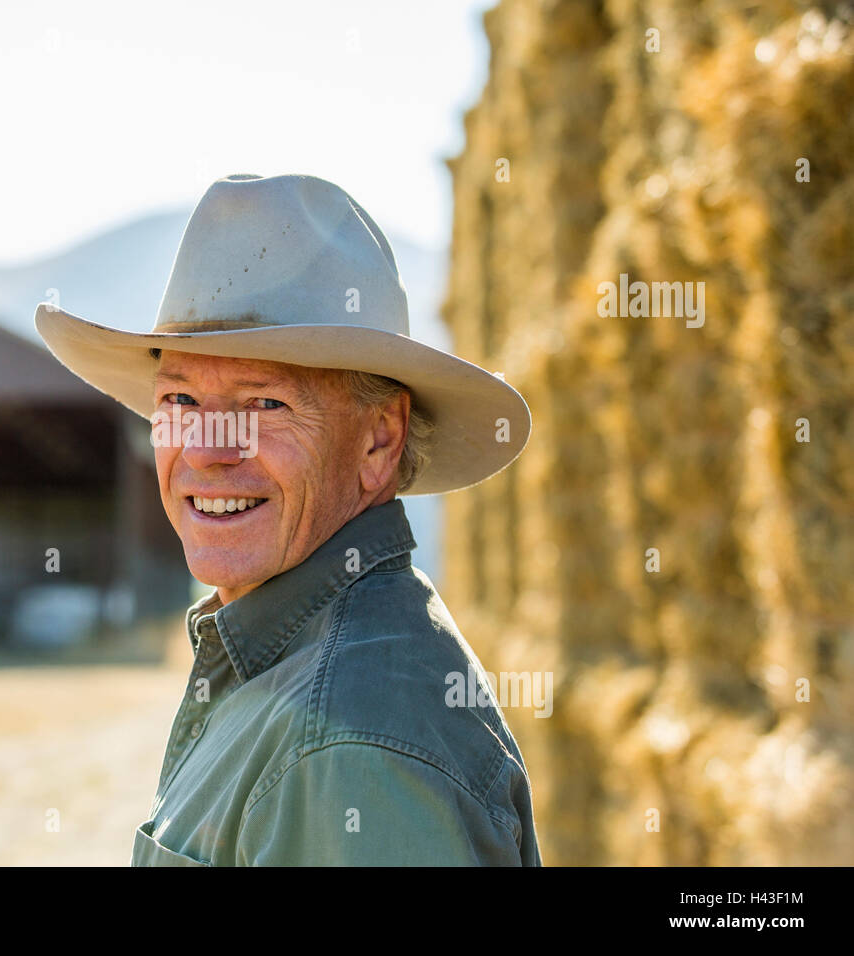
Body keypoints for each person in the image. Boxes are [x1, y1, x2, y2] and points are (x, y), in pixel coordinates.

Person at [35, 173, 542, 866]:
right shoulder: (302, 667)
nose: (207, 452)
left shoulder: (352, 746)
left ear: (378, 441)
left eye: (265, 404)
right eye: (180, 399)